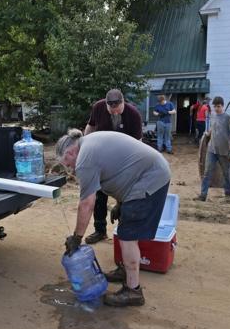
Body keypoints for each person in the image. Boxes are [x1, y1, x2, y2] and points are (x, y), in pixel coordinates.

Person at [57, 129, 170, 306]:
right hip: (147, 174)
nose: (71, 168)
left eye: (68, 163)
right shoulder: (88, 145)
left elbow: (87, 203)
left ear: (71, 152)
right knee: (127, 227)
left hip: (151, 178)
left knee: (127, 236)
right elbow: (121, 169)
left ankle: (133, 291)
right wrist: (121, 202)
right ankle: (126, 271)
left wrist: (77, 237)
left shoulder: (84, 159)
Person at [82, 89, 143, 245]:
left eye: (118, 110)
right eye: (111, 110)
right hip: (102, 159)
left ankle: (124, 235)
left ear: (123, 102)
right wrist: (84, 145)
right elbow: (90, 127)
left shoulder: (134, 115)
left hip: (125, 161)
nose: (115, 113)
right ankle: (100, 230)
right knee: (99, 196)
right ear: (106, 105)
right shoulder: (98, 107)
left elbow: (138, 145)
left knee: (125, 197)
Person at [195, 96, 230, 203]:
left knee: (226, 173)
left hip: (224, 151)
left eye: (218, 106)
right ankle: (203, 195)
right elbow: (213, 128)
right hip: (212, 150)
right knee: (207, 172)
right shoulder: (213, 116)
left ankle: (228, 195)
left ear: (222, 106)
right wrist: (207, 133)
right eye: (215, 106)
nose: (217, 109)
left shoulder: (228, 118)